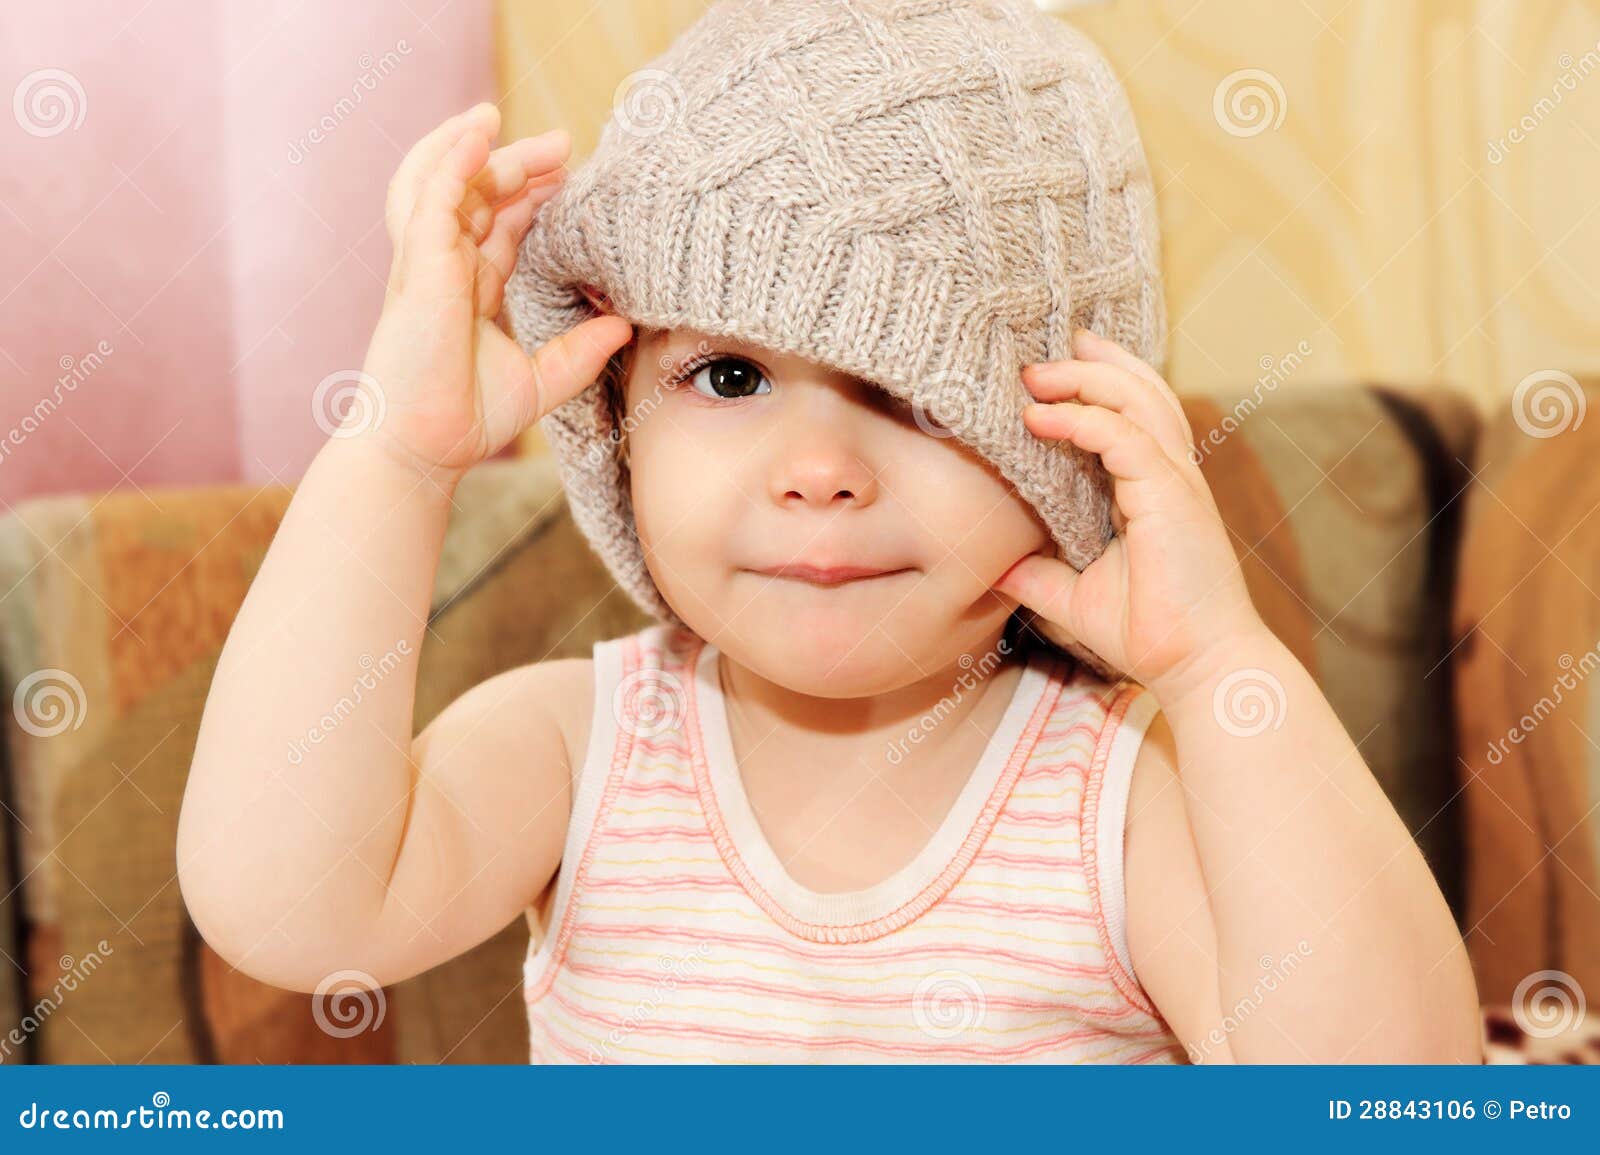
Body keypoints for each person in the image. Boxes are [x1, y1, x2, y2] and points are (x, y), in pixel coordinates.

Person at [178, 0, 1481, 1063]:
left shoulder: (1124, 798)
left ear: (1072, 445)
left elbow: (1385, 1099)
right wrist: (399, 459)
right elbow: (286, 909)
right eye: (730, 378)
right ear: (621, 422)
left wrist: (1221, 669)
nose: (817, 473)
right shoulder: (584, 750)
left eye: (911, 393)